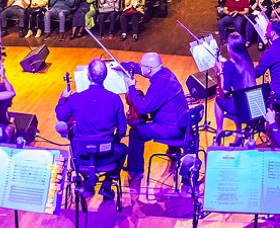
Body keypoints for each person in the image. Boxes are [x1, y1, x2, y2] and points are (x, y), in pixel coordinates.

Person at [54, 58, 127, 200]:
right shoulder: (114, 99)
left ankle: (86, 178)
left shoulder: (76, 98)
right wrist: (114, 141)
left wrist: (63, 98)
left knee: (74, 145)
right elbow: (122, 130)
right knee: (123, 149)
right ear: (105, 76)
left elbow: (61, 116)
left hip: (81, 158)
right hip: (107, 157)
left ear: (88, 75)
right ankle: (107, 183)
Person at [125, 53, 191, 187]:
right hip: (181, 123)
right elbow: (142, 70)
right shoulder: (165, 73)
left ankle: (135, 172)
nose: (140, 67)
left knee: (135, 132)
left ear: (149, 69)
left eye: (141, 65)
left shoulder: (159, 85)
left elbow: (144, 108)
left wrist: (131, 87)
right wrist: (124, 66)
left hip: (170, 129)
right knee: (143, 121)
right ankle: (173, 152)